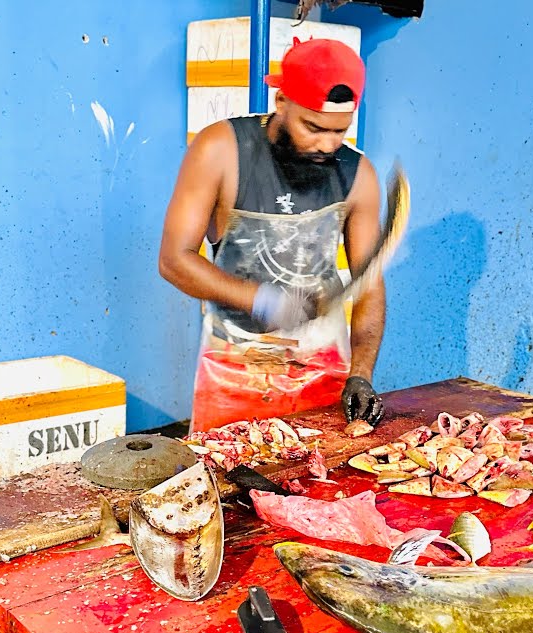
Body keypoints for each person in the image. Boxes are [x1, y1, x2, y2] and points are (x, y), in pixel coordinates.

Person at [159, 37, 386, 433]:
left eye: (340, 132)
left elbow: (369, 284)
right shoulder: (220, 150)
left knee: (321, 485)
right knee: (226, 481)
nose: (327, 144)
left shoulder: (358, 175)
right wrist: (261, 300)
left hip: (322, 367)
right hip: (235, 365)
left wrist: (361, 372)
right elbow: (174, 260)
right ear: (282, 102)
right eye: (313, 127)